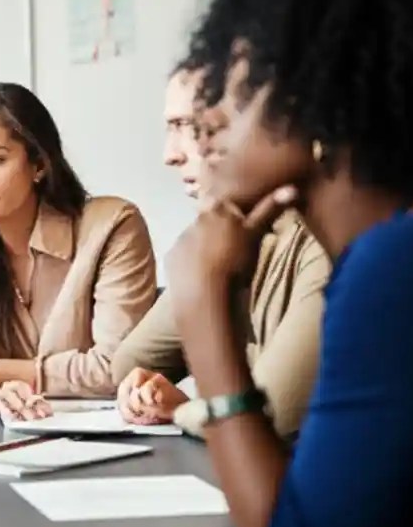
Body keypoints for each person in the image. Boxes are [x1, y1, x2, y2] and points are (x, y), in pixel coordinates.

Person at [168, 0, 413, 527]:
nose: (210, 115)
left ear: (320, 93)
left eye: (242, 77)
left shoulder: (406, 262)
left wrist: (203, 305)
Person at [0, 82, 157, 420]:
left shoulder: (113, 225)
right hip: (11, 438)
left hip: (114, 444)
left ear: (38, 163)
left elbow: (115, 370)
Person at [111, 69, 328, 436]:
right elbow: (132, 362)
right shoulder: (243, 229)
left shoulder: (328, 238)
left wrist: (187, 410)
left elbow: (270, 414)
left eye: (196, 127)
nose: (171, 155)